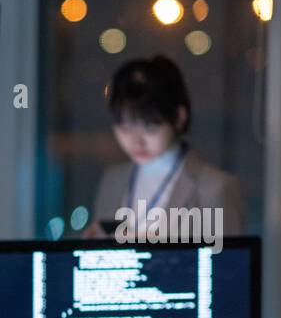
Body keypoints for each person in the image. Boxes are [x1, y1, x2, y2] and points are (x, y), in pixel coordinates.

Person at [85, 55, 244, 238]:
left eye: (150, 128)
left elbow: (231, 264)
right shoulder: (112, 180)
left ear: (179, 118)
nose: (137, 142)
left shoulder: (215, 188)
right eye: (125, 128)